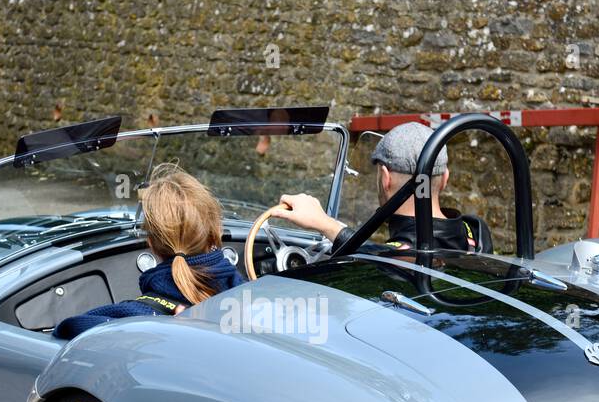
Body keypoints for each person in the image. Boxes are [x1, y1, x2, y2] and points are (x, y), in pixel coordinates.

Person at [55, 163, 246, 339]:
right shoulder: (248, 297)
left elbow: (68, 328)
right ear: (214, 234)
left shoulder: (136, 318)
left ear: (151, 243)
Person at [277, 121, 490, 253]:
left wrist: (324, 223)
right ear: (445, 179)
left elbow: (379, 259)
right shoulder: (477, 233)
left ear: (385, 178)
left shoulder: (396, 259)